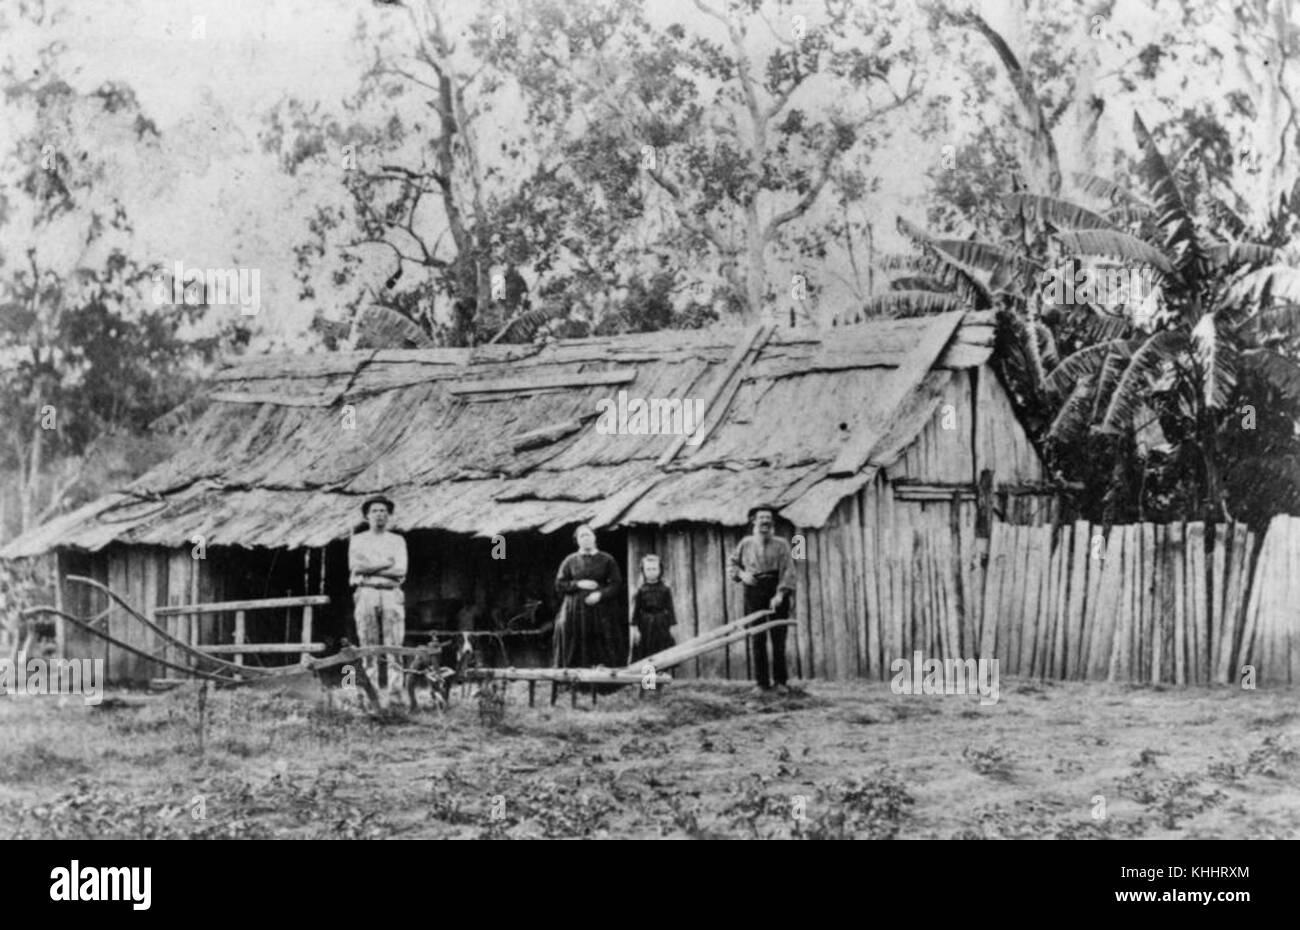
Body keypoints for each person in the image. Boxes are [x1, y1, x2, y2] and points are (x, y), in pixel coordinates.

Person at [729, 504, 796, 695]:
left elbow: (789, 570)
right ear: (754, 521)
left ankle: (781, 682)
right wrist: (742, 575)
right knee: (757, 637)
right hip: (753, 590)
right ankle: (761, 683)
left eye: (768, 518)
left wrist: (781, 594)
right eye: (761, 518)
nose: (764, 522)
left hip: (776, 590)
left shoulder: (782, 544)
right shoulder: (746, 543)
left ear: (772, 522)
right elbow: (732, 564)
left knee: (778, 638)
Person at [348, 495, 408, 707]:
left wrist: (370, 567)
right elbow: (356, 568)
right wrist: (385, 564)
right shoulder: (358, 540)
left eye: (383, 511)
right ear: (366, 515)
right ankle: (368, 693)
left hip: (391, 593)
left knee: (394, 644)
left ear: (389, 515)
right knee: (367, 643)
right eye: (375, 511)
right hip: (366, 592)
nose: (379, 514)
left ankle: (395, 694)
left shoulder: (397, 540)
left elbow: (400, 570)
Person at [554, 524, 624, 670]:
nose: (585, 539)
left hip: (600, 611)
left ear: (595, 537)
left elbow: (616, 584)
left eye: (588, 535)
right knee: (575, 644)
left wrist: (600, 594)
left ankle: (602, 683)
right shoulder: (570, 561)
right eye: (582, 536)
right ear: (577, 540)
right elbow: (560, 584)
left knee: (601, 643)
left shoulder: (607, 560)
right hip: (574, 612)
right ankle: (575, 683)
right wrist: (578, 584)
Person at [630, 554, 676, 663]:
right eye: (648, 569)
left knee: (661, 649)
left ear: (660, 570)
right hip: (645, 624)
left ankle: (661, 673)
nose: (651, 572)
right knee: (645, 651)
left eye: (654, 569)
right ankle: (646, 676)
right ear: (643, 571)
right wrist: (635, 629)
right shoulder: (640, 590)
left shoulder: (665, 589)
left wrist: (672, 626)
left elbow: (670, 609)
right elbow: (635, 611)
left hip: (661, 624)